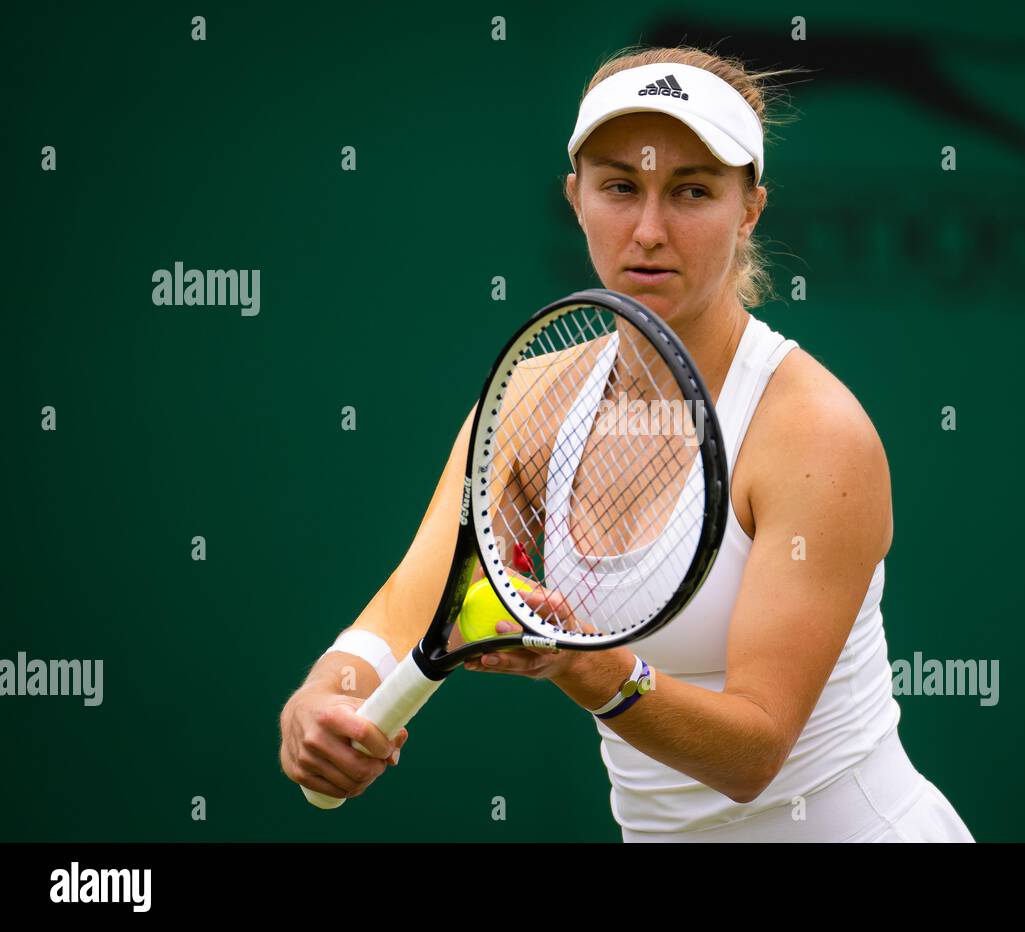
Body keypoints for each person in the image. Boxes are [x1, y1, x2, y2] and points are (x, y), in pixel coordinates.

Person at [279, 45, 975, 843]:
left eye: (691, 191)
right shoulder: (530, 398)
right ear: (574, 198)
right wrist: (326, 696)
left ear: (749, 208)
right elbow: (412, 601)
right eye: (619, 187)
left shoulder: (814, 432)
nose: (648, 230)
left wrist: (579, 662)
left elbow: (753, 753)